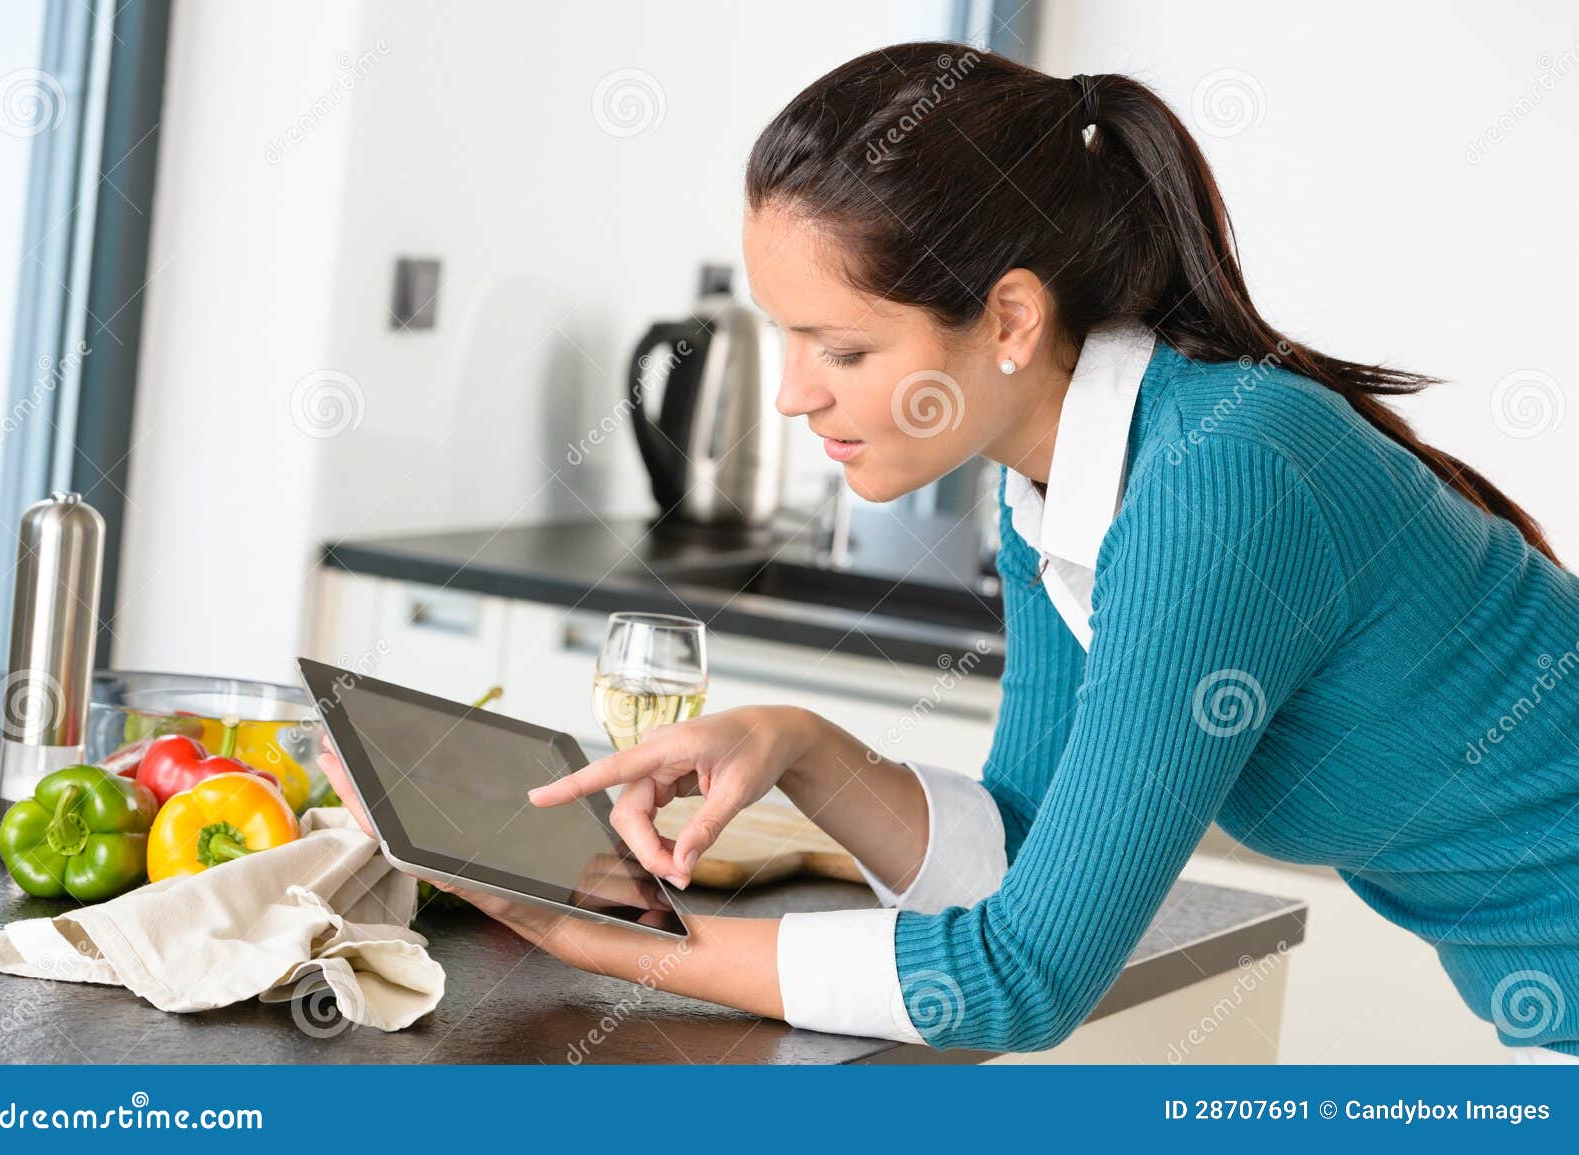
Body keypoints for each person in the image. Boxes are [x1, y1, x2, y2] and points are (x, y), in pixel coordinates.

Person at [321, 42, 1579, 1059]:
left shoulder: (1219, 482)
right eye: (786, 338)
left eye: (844, 350)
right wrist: (806, 751)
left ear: (1012, 320)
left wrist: (611, 948)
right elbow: (1021, 855)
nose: (793, 396)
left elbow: (1022, 980)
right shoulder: (1053, 487)